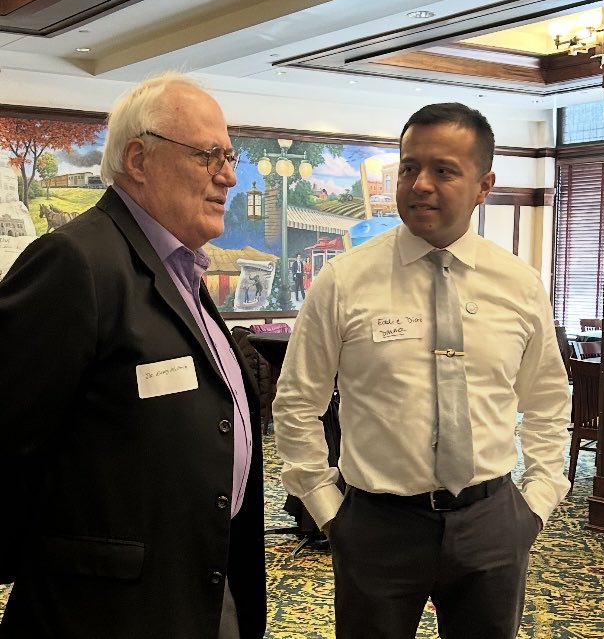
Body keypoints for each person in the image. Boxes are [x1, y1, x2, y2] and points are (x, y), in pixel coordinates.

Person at [273, 102, 571, 639]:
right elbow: (297, 402)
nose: (420, 184)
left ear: (483, 186)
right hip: (377, 526)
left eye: (443, 170)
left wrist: (537, 502)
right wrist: (326, 508)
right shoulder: (344, 281)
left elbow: (548, 400)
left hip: (490, 522)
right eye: (409, 167)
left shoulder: (519, 286)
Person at [0, 72, 267, 638]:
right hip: (104, 614)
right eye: (208, 155)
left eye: (229, 156)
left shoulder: (182, 270)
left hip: (201, 587)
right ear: (139, 159)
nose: (228, 175)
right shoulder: (76, 262)